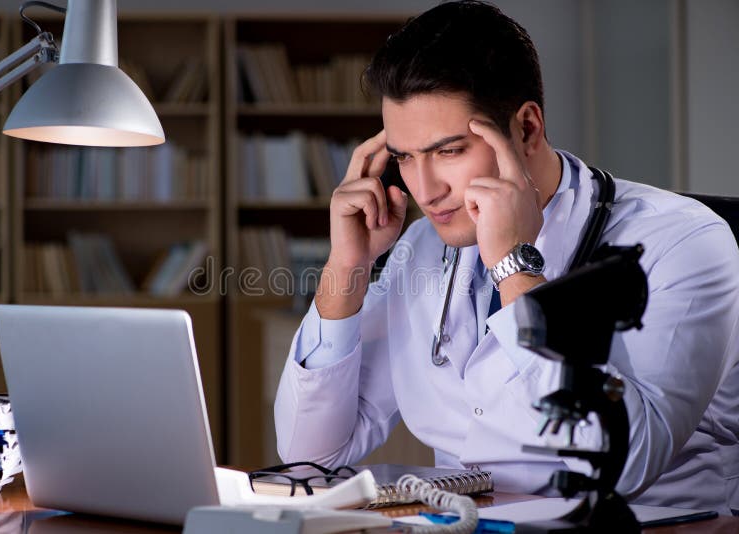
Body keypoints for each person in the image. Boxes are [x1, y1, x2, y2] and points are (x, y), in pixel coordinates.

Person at [273, 0, 739, 514]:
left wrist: (515, 268)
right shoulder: (421, 249)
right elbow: (309, 455)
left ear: (527, 128)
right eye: (405, 157)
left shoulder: (683, 241)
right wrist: (347, 268)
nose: (424, 190)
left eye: (449, 151)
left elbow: (627, 461)